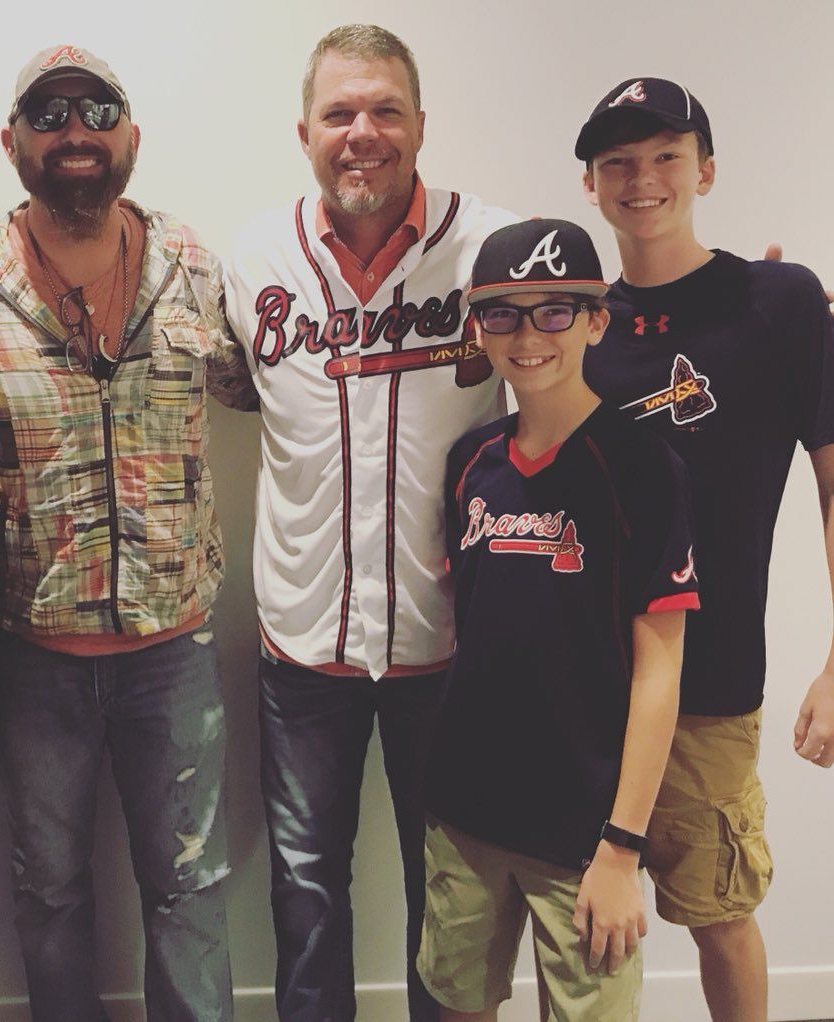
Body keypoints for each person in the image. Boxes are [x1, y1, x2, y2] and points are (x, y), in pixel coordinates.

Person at [0, 45, 257, 1022]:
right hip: (27, 650)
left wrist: (466, 344)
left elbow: (278, 381)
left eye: (97, 110)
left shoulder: (194, 264)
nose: (74, 130)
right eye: (49, 114)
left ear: (131, 137)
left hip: (174, 650)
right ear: (12, 142)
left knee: (192, 884)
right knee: (48, 887)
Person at [224, 24, 517, 1022]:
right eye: (340, 112)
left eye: (386, 110)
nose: (364, 132)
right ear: (303, 130)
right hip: (302, 644)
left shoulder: (493, 248)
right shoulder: (253, 258)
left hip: (449, 641)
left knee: (450, 895)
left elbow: (594, 363)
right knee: (304, 892)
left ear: (420, 124)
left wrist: (734, 326)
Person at [577, 77, 834, 1022]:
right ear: (592, 187)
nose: (641, 180)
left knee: (720, 912)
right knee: (589, 922)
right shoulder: (573, 323)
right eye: (618, 164)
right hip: (583, 684)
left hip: (711, 686)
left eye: (665, 158)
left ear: (706, 171)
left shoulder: (780, 300)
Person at [418, 217, 698, 1022]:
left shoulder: (644, 466)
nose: (528, 334)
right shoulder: (469, 463)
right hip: (467, 810)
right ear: (479, 327)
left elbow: (660, 671)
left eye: (555, 311)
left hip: (585, 834)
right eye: (503, 312)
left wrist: (622, 846)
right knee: (457, 1002)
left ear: (597, 319)